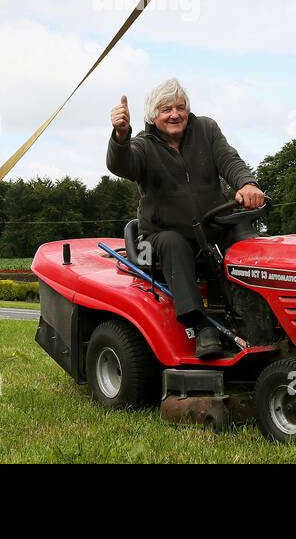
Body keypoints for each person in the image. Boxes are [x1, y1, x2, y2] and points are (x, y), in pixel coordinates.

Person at [106, 78, 265, 358]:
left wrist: (247, 184)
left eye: (180, 107)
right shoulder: (143, 145)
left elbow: (230, 160)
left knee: (246, 235)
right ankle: (201, 325)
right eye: (166, 109)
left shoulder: (206, 129)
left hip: (212, 227)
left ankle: (258, 314)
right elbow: (123, 165)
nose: (175, 114)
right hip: (164, 234)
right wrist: (121, 136)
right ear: (152, 117)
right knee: (173, 242)